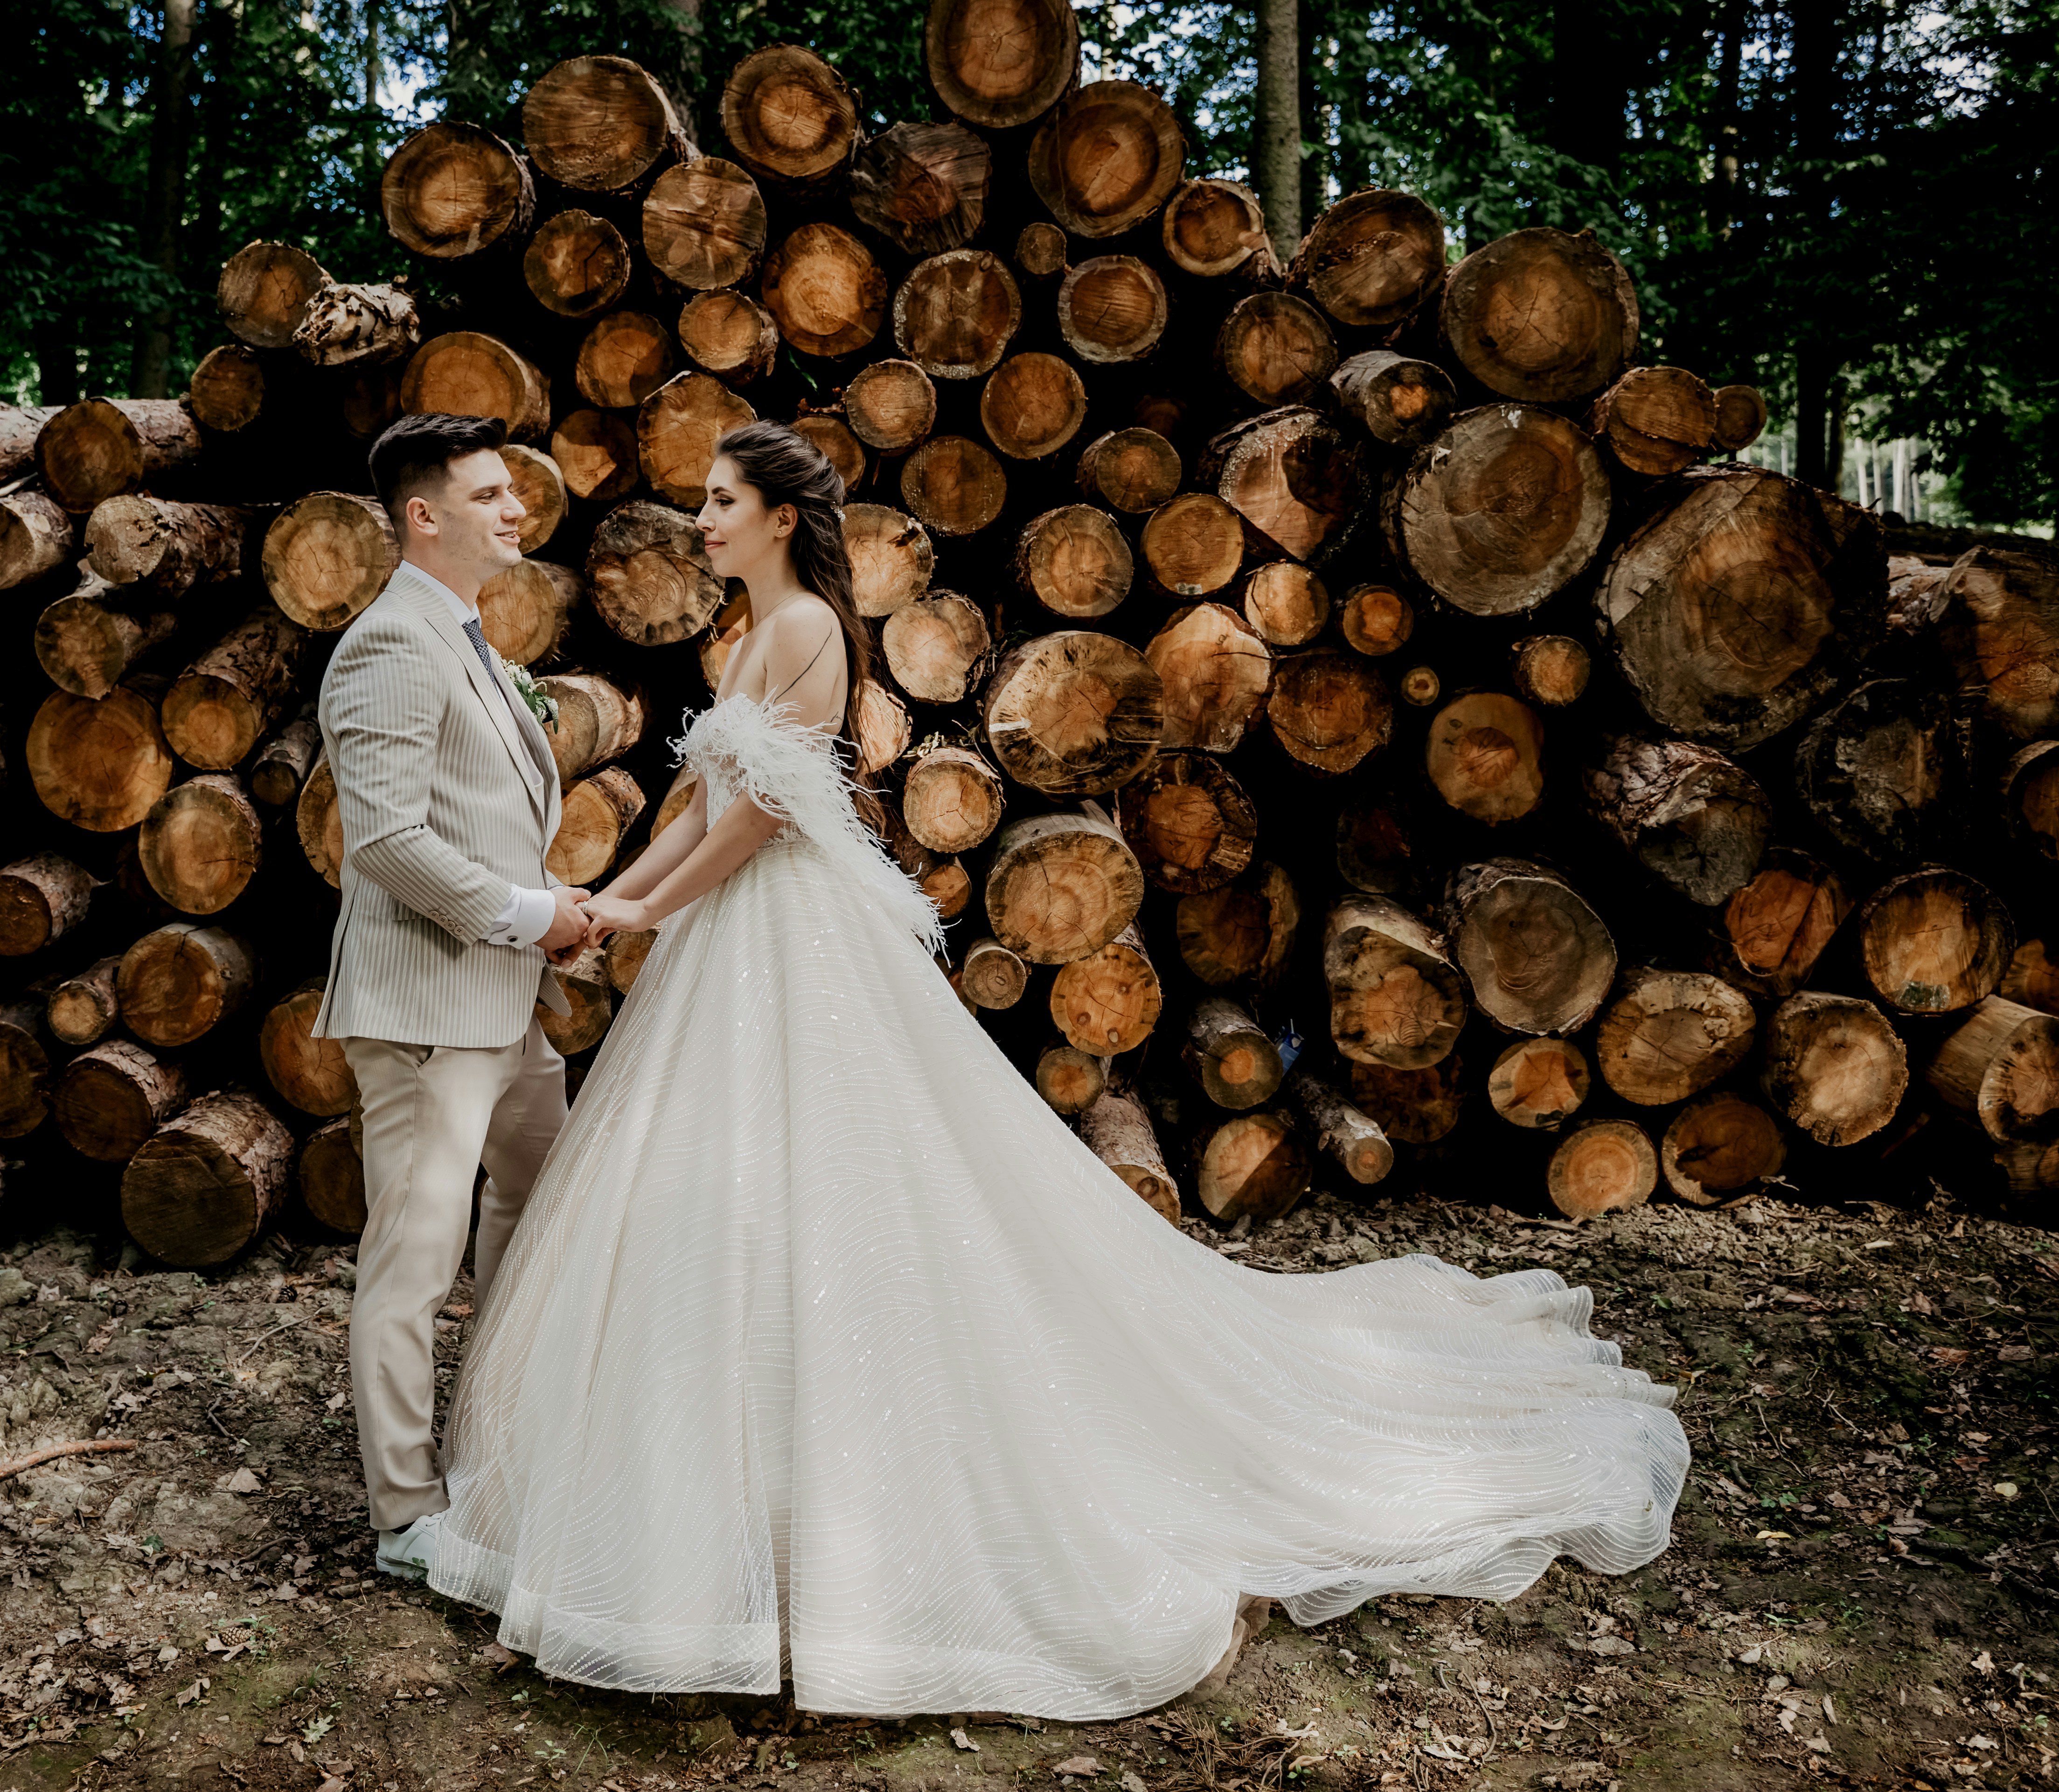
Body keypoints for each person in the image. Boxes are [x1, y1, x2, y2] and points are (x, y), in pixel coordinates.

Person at [419, 421, 1690, 1721]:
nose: (699, 519)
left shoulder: (803, 627)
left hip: (790, 938)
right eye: (703, 501)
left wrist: (640, 919)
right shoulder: (747, 641)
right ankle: (704, 1514)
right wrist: (603, 895)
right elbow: (692, 805)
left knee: (831, 1196)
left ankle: (817, 1533)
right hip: (726, 947)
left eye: (719, 500)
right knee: (712, 1204)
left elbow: (758, 820)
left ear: (780, 521)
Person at [309, 411, 593, 1581]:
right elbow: (384, 840)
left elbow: (478, 816)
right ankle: (405, 1512)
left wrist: (547, 913)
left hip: (503, 998)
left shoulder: (471, 639)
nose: (516, 509)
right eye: (489, 494)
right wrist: (530, 915)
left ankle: (498, 1434)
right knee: (413, 1260)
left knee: (540, 1202)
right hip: (427, 1010)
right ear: (424, 515)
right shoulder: (390, 643)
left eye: (512, 492)